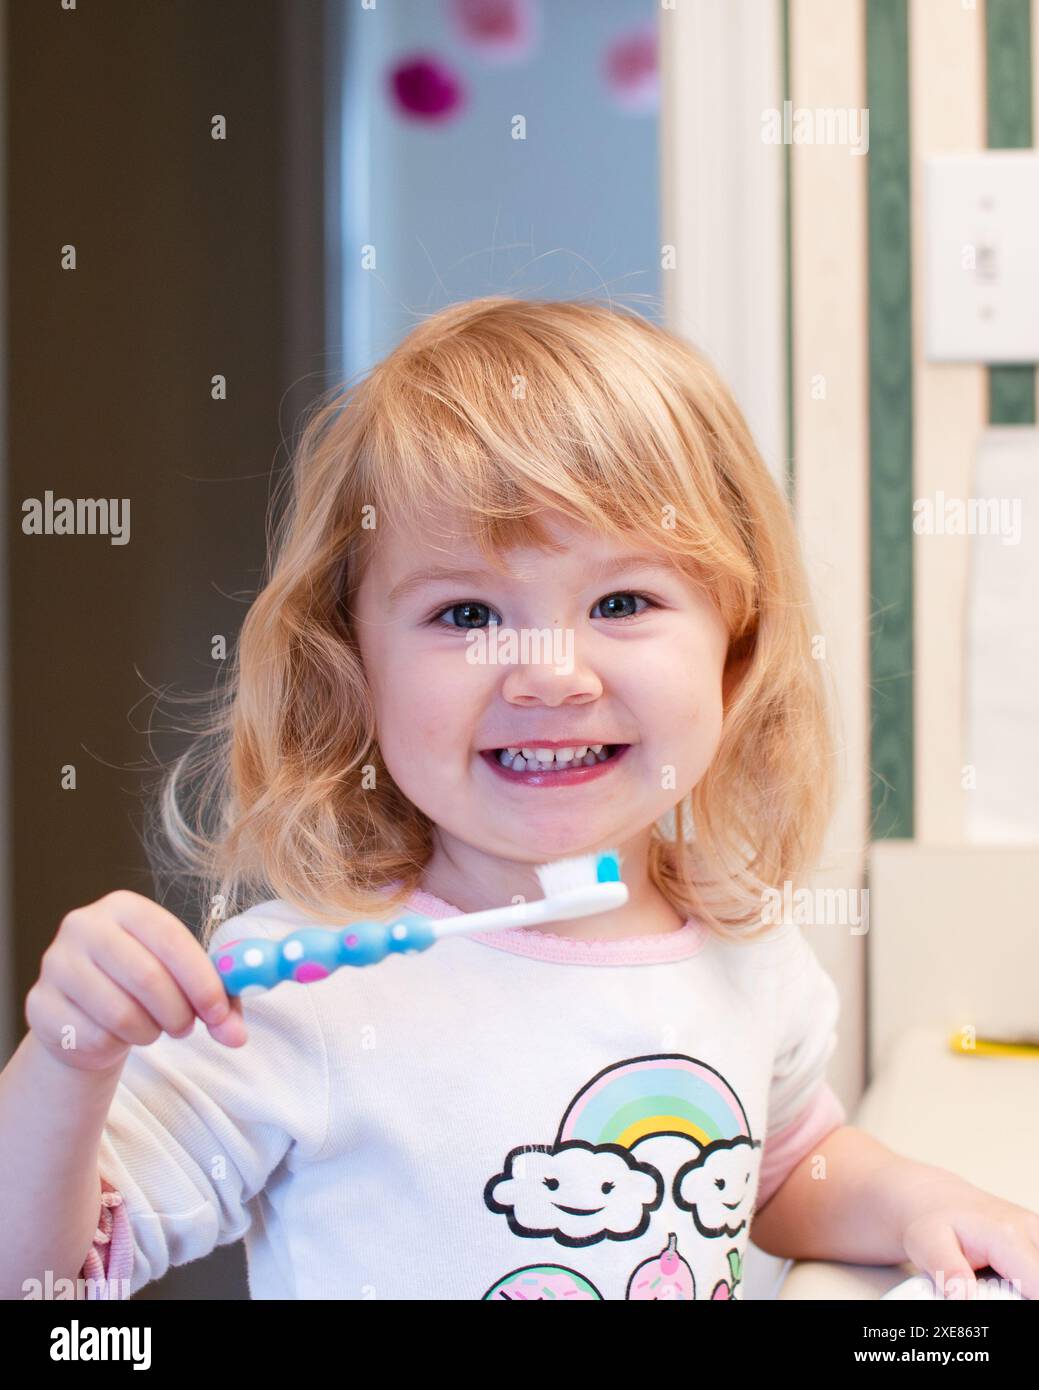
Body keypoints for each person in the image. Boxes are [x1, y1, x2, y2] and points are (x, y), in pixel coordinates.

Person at [4, 297, 1037, 1301]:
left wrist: (914, 1202)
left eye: (621, 601)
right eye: (465, 612)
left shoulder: (745, 944)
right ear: (350, 664)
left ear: (736, 644)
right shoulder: (287, 1001)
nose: (550, 673)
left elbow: (778, 1167)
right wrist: (68, 1063)